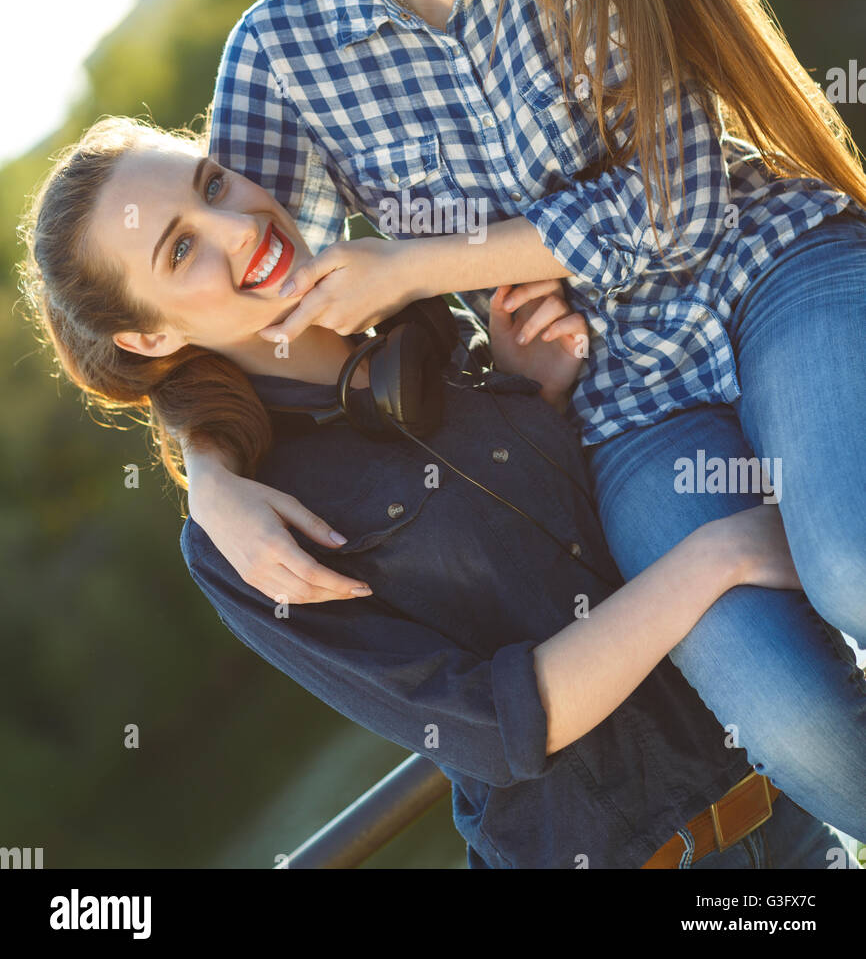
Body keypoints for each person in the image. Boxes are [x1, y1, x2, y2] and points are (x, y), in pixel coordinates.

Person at [180, 0, 866, 830]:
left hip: (768, 274)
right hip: (623, 407)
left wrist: (417, 266)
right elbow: (209, 292)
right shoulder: (281, 52)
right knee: (778, 699)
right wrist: (208, 472)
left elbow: (679, 202)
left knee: (849, 556)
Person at [19, 117, 863, 868]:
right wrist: (713, 559)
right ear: (149, 334)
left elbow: (568, 530)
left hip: (783, 806)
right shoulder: (244, 533)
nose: (239, 228)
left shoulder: (420, 311)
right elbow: (500, 728)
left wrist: (530, 397)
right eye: (179, 249)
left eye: (212, 183)